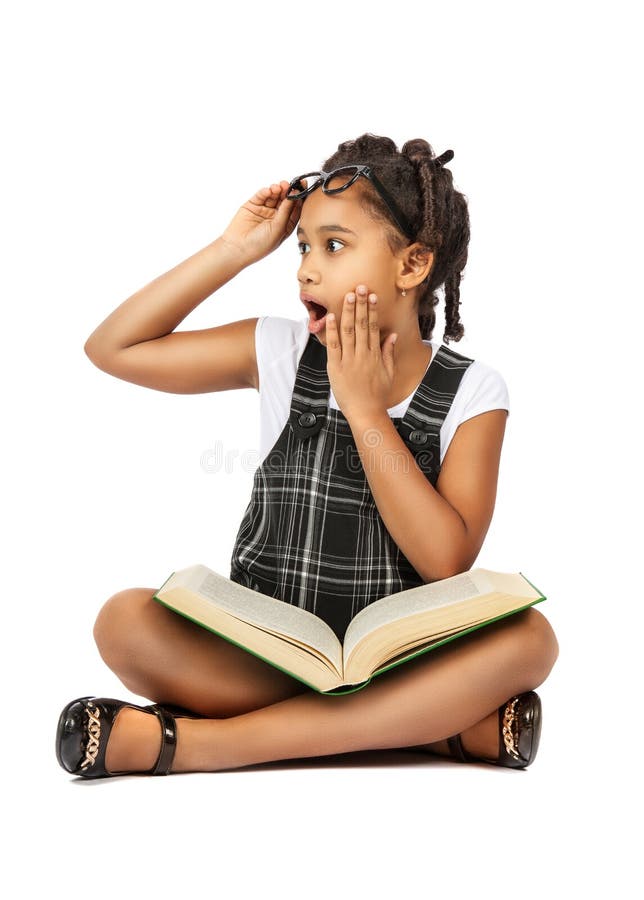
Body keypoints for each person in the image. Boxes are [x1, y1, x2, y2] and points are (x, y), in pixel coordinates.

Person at [56, 133, 559, 778]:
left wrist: (365, 410)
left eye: (335, 246)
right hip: (266, 649)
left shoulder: (472, 390)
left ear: (412, 266)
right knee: (123, 621)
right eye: (303, 246)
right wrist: (232, 251)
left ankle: (201, 746)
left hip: (403, 656)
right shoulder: (281, 350)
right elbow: (114, 349)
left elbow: (445, 561)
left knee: (530, 639)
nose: (305, 270)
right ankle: (427, 728)